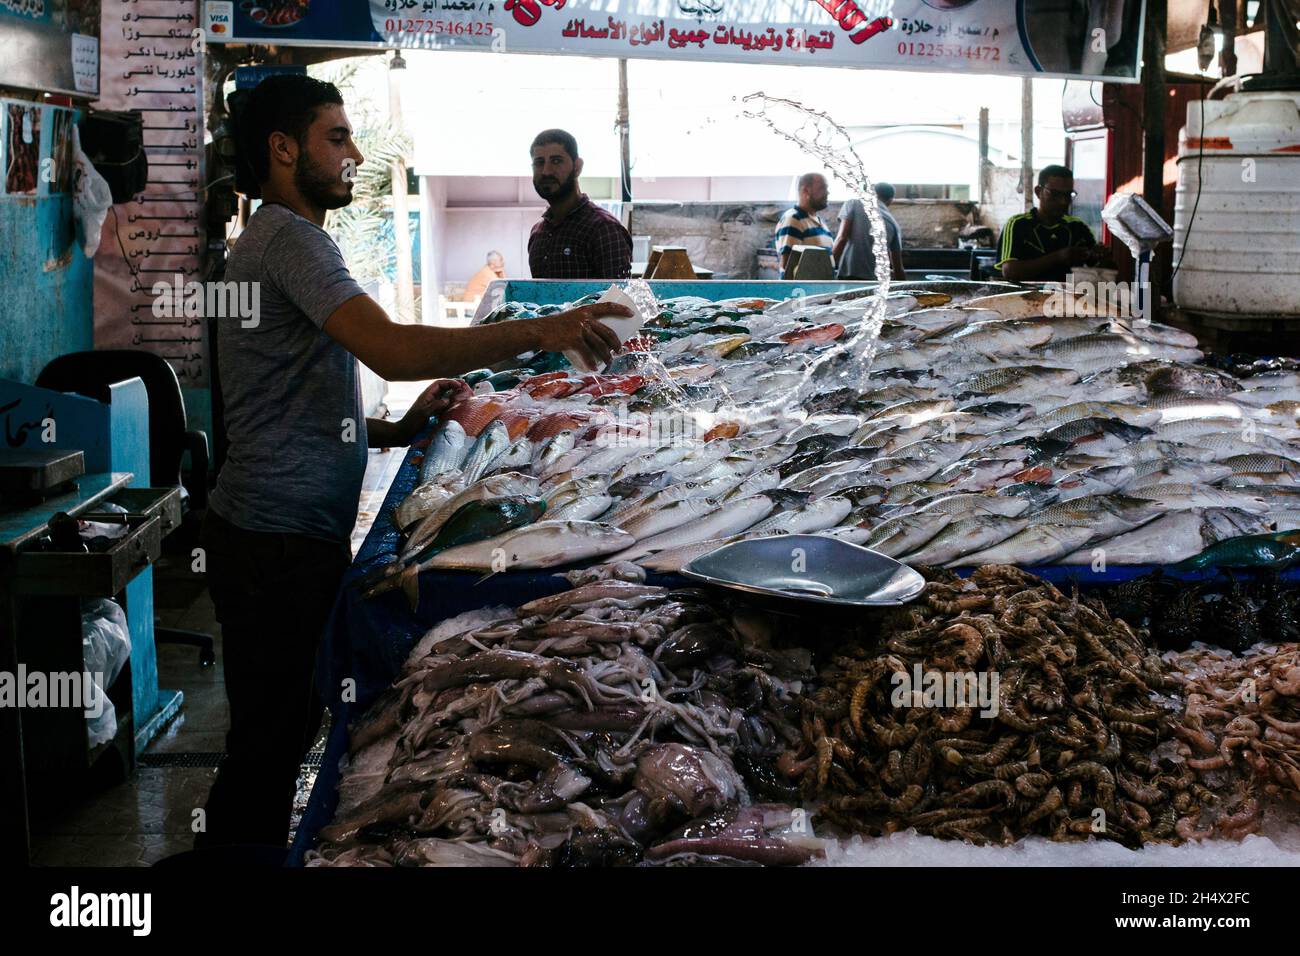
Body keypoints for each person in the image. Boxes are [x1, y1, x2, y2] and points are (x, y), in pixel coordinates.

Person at [198, 75, 627, 849]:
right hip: (273, 543)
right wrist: (542, 331)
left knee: (277, 736)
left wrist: (393, 434)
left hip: (278, 535)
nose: (355, 152)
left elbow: (286, 394)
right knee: (267, 747)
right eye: (337, 136)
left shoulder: (273, 238)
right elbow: (392, 348)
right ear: (283, 149)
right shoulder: (288, 238)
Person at [527, 129, 632, 279]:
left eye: (556, 161)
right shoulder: (538, 233)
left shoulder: (604, 229)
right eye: (539, 163)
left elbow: (620, 299)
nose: (546, 171)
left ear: (577, 167)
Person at [997, 165, 1103, 283]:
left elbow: (1100, 271)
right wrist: (1058, 257)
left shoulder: (1077, 227)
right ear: (1038, 192)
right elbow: (1010, 272)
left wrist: (1101, 257)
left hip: (1068, 299)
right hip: (1025, 299)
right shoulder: (1018, 225)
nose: (1063, 201)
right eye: (1055, 194)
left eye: (1068, 195)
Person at [832, 182, 905, 281]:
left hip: (849, 278)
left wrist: (826, 269)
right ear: (890, 201)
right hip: (875, 284)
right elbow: (898, 268)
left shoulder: (854, 203)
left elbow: (842, 238)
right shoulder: (894, 224)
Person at [775, 172, 834, 275]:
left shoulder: (820, 222)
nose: (827, 192)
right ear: (806, 190)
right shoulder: (794, 220)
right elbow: (787, 268)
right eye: (822, 188)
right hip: (805, 290)